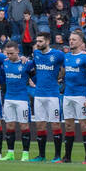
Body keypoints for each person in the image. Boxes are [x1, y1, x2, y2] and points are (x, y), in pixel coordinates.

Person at [60, 30, 86, 163]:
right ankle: (67, 157)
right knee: (68, 126)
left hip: (81, 96)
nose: (71, 41)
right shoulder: (66, 57)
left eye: (74, 39)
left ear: (81, 42)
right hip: (67, 95)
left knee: (84, 125)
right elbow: (63, 73)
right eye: (70, 39)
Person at [29, 32, 64, 162]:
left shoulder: (58, 54)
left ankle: (57, 156)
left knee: (55, 124)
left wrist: (60, 77)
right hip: (39, 95)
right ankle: (41, 155)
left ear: (47, 42)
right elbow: (31, 66)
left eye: (40, 41)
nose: (38, 44)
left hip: (53, 95)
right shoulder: (36, 54)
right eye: (37, 41)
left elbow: (65, 66)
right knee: (40, 125)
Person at [0, 41, 34, 161]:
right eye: (7, 53)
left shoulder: (26, 63)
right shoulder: (5, 63)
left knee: (24, 126)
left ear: (18, 51)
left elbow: (35, 71)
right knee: (9, 126)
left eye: (11, 53)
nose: (9, 56)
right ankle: (10, 153)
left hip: (22, 99)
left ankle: (25, 154)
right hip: (9, 98)